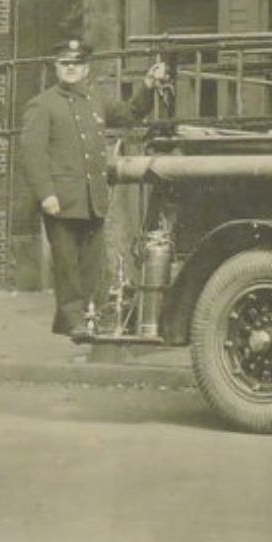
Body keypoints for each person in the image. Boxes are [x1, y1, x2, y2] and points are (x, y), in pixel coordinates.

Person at [20, 39, 167, 339]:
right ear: (57, 67)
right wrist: (46, 193)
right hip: (60, 199)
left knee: (91, 263)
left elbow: (129, 114)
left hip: (93, 198)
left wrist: (149, 85)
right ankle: (73, 320)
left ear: (86, 68)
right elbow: (32, 154)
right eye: (65, 64)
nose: (71, 69)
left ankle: (89, 316)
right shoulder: (43, 104)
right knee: (66, 265)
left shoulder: (95, 98)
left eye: (76, 64)